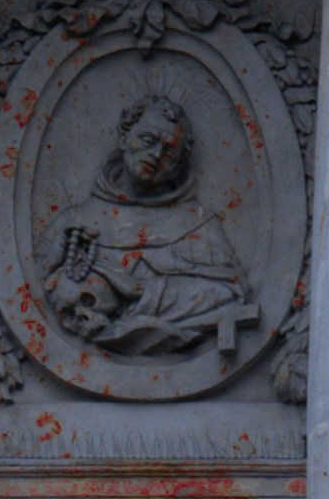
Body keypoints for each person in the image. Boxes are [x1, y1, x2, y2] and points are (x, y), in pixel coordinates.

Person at [35, 91, 267, 366]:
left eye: (170, 152)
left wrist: (143, 291)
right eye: (148, 139)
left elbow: (229, 295)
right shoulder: (74, 224)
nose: (156, 154)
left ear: (179, 166)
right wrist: (54, 261)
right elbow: (38, 283)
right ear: (124, 137)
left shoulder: (197, 223)